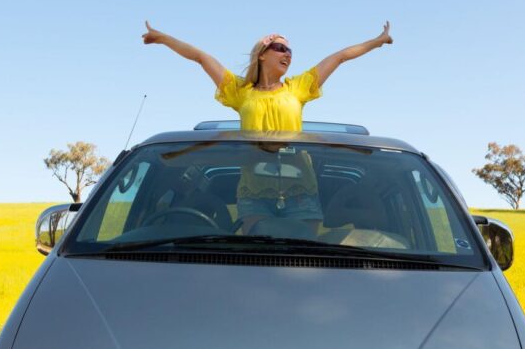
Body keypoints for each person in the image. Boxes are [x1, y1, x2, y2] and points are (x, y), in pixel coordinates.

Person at [142, 21, 393, 234]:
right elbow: (201, 57)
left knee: (302, 260)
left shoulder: (299, 87)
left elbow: (339, 57)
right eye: (280, 48)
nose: (288, 54)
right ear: (262, 53)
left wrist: (377, 41)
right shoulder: (240, 92)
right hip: (254, 194)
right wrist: (163, 38)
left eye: (290, 50)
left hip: (301, 191)